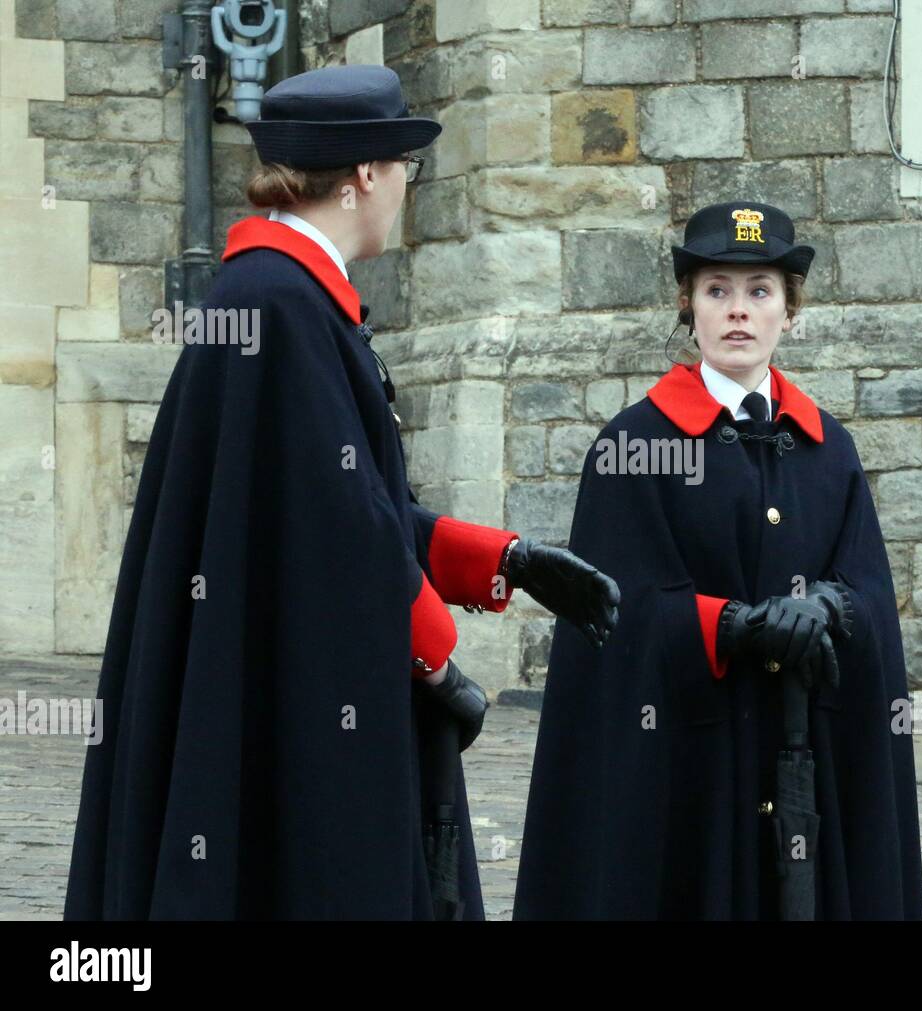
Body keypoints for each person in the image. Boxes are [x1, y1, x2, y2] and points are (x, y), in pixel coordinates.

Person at [62, 64, 618, 920]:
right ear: (365, 173)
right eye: (403, 166)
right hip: (314, 706)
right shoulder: (283, 306)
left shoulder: (272, 298)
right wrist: (438, 661)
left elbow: (331, 502)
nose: (404, 187)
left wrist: (502, 559)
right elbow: (346, 531)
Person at [513, 201, 922, 920]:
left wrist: (828, 607)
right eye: (717, 291)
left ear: (788, 312)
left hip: (805, 749)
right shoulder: (633, 444)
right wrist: (727, 625)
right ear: (689, 307)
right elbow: (614, 607)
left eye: (760, 291)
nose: (739, 311)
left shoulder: (830, 449)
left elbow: (870, 589)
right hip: (685, 766)